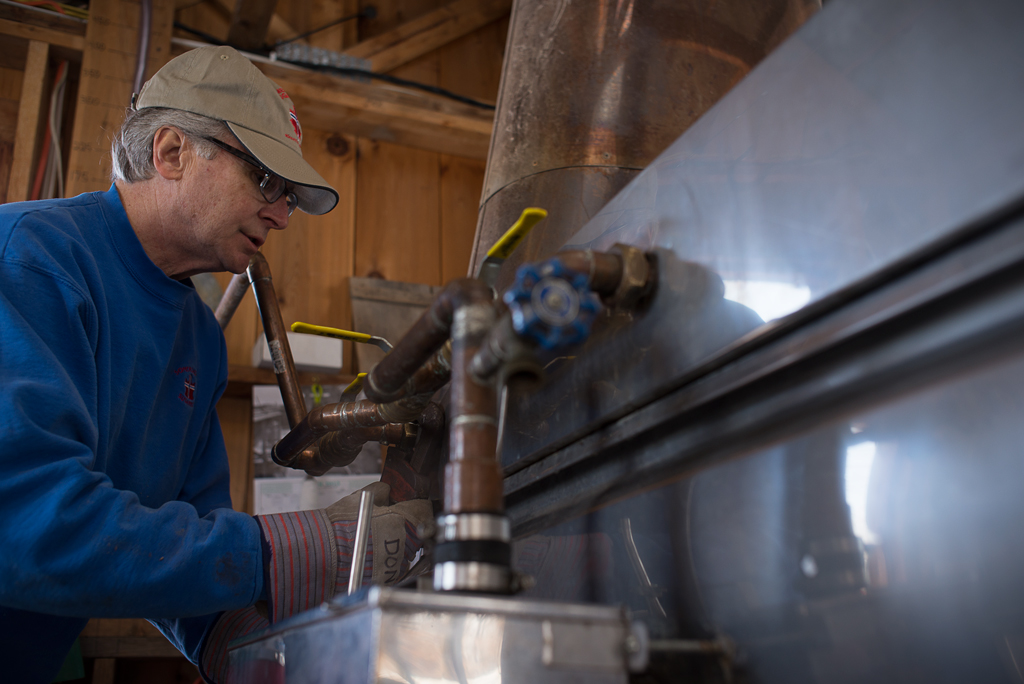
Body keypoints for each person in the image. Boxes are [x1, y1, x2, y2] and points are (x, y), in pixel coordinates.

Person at [0, 45, 430, 684]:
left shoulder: (199, 339)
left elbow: (188, 548)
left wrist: (260, 653)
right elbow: (23, 524)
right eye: (266, 182)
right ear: (172, 152)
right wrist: (294, 548)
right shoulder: (30, 261)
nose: (280, 216)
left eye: (288, 198)